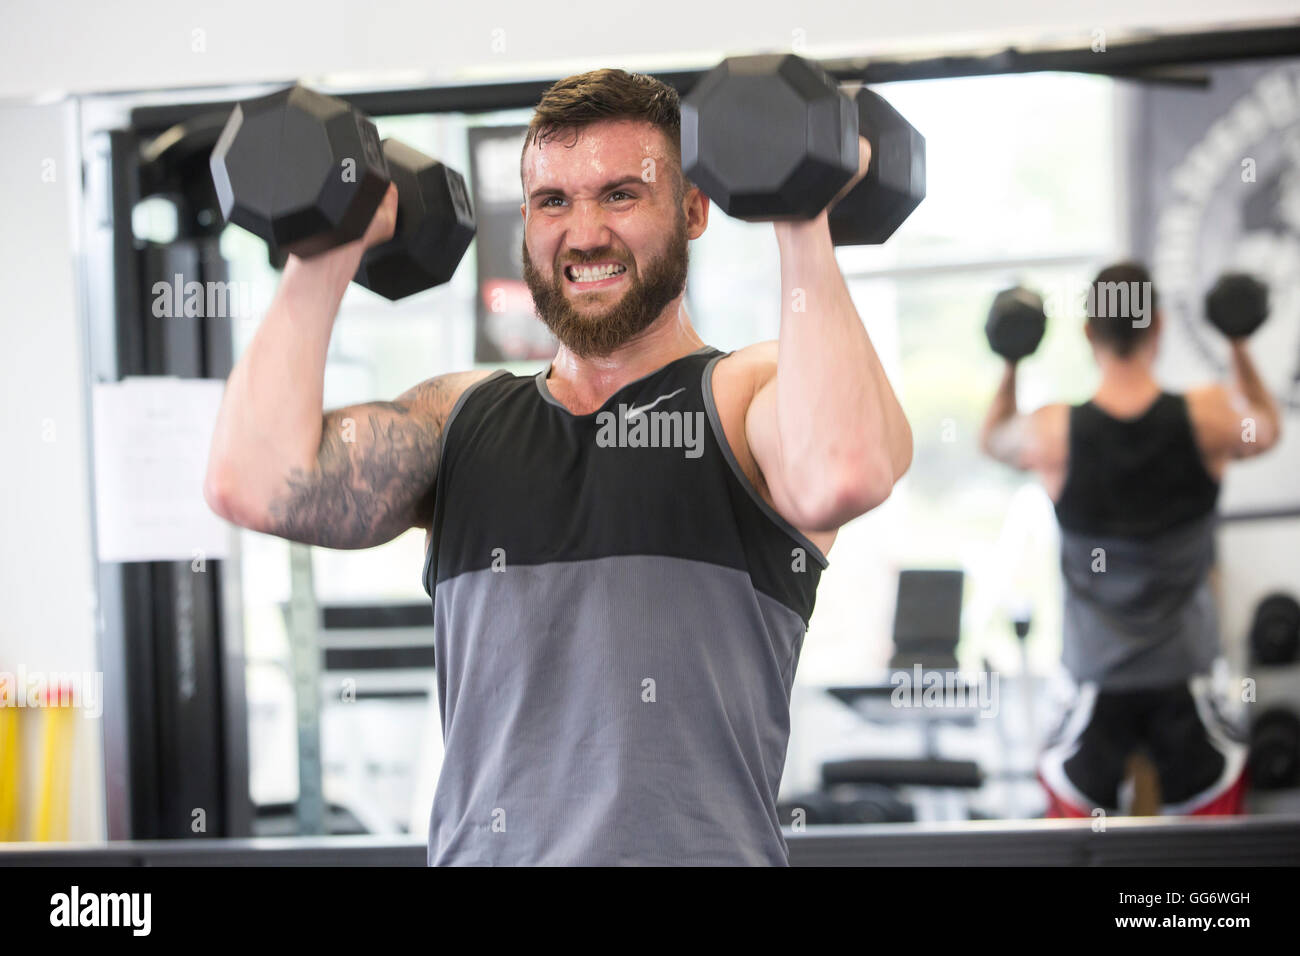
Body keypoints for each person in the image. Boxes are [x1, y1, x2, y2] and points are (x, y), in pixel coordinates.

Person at [204, 69, 912, 864]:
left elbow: (845, 469)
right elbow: (253, 484)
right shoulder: (460, 418)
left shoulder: (747, 397)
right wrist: (327, 247)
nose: (583, 233)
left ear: (692, 209)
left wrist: (799, 207)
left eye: (620, 195)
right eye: (552, 201)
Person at [979, 262, 1281, 818]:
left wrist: (1012, 358)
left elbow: (994, 439)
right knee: (1210, 867)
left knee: (1076, 850)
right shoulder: (1208, 415)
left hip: (1093, 682)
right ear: (1158, 327)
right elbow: (1266, 425)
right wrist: (1237, 342)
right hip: (1186, 678)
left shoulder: (1054, 432)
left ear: (1089, 332)